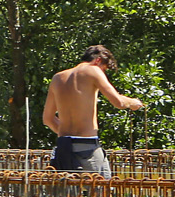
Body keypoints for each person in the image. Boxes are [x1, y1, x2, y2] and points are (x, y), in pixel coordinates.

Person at [42, 45, 143, 176]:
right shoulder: (93, 70)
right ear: (98, 60)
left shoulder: (57, 78)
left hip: (63, 146)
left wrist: (69, 137)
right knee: (101, 192)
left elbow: (47, 119)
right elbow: (118, 102)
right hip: (87, 147)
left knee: (69, 194)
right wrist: (132, 103)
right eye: (104, 69)